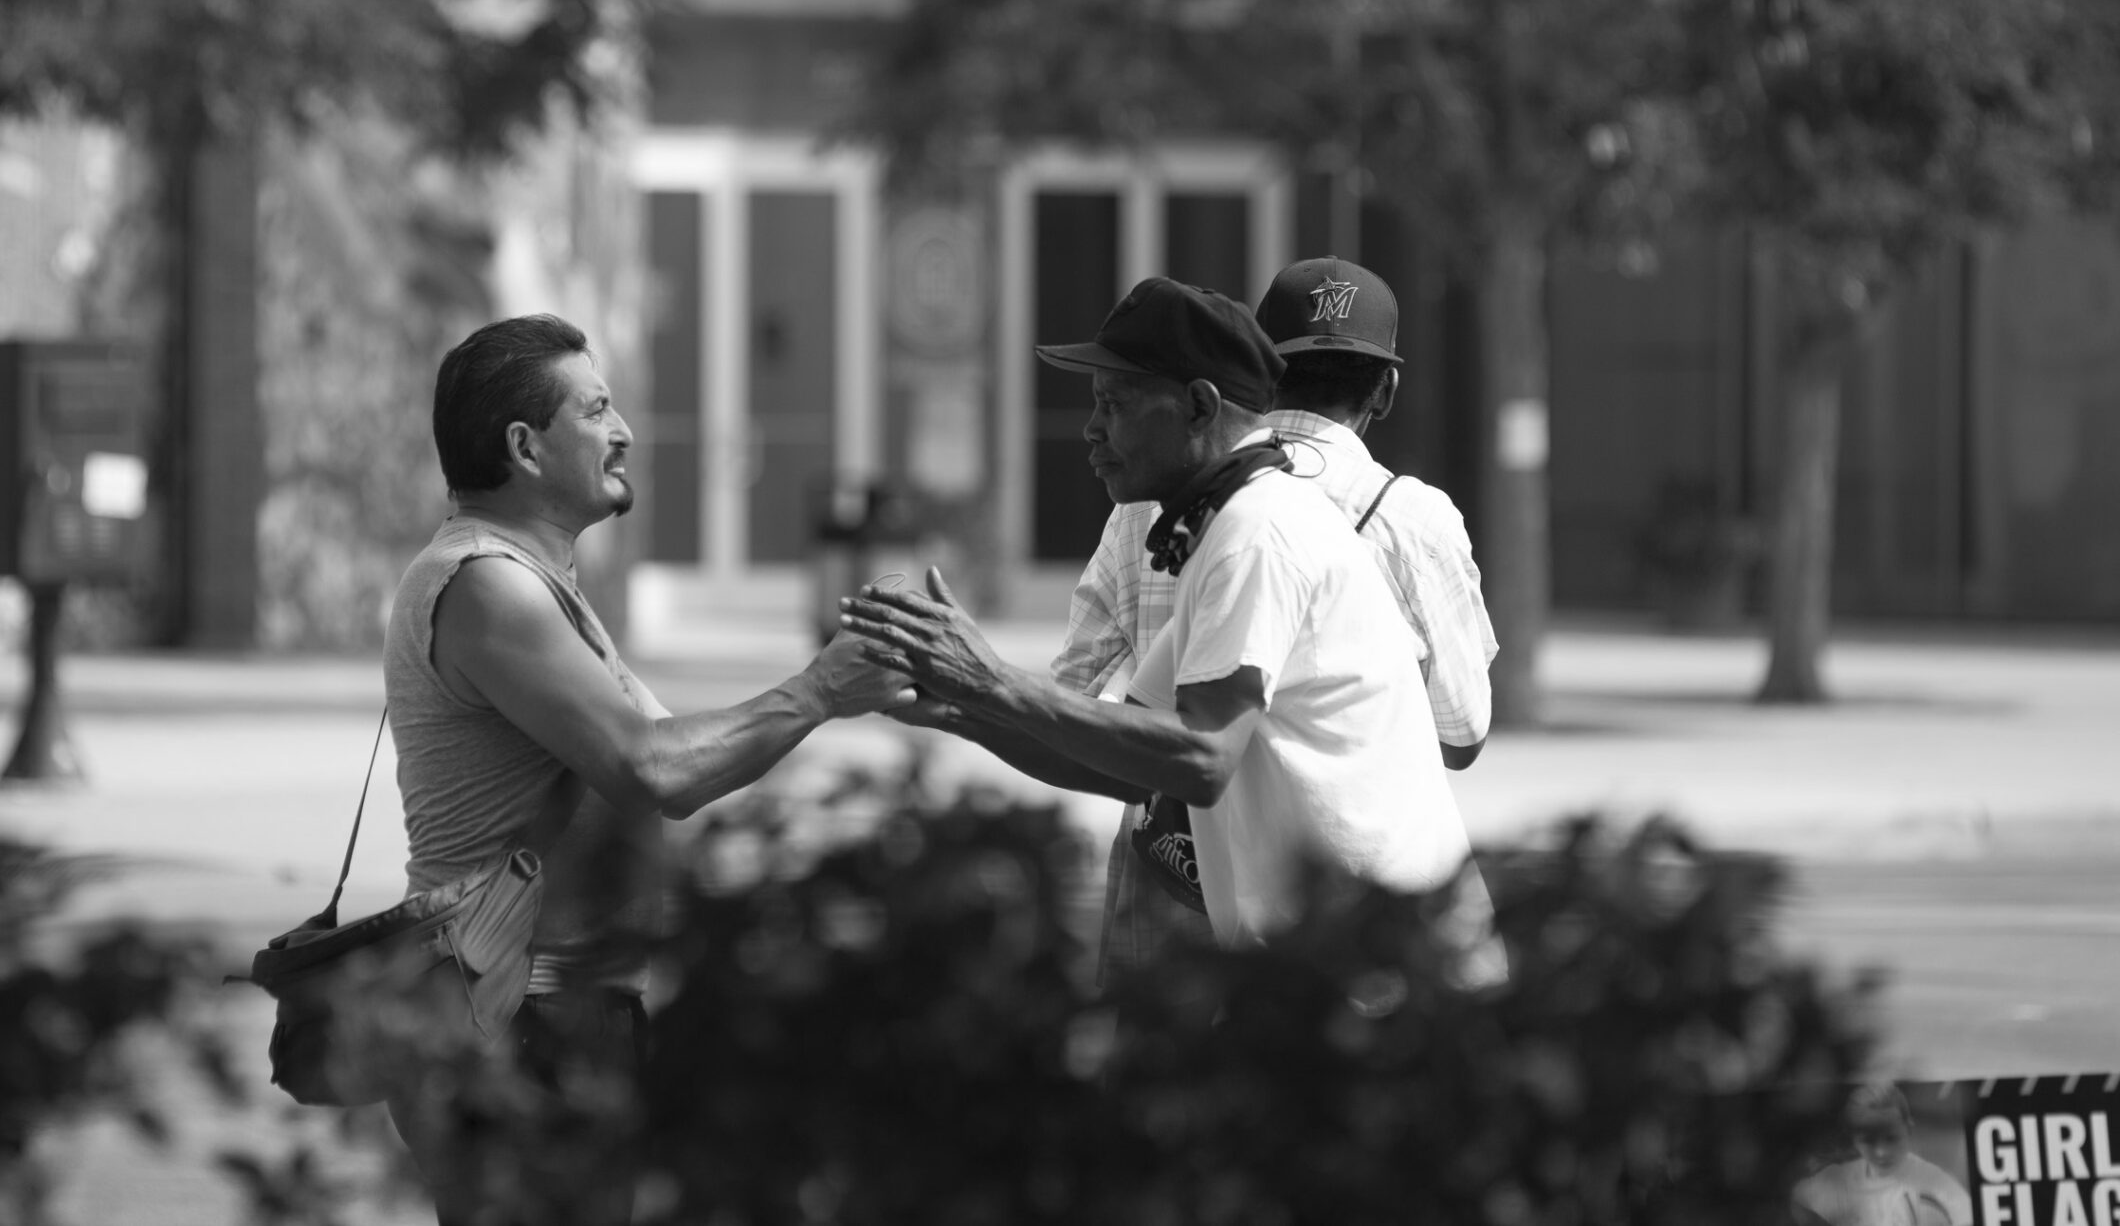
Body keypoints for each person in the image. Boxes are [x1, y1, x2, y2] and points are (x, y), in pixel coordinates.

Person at [381, 314, 908, 1222]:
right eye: (596, 409)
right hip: (513, 1020)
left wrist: (904, 688)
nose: (623, 429)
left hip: (555, 1013)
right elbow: (651, 769)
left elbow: (683, 755)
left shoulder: (537, 581)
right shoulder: (488, 584)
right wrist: (820, 687)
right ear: (525, 447)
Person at [845, 277, 1477, 952]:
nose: (1091, 429)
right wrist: (958, 703)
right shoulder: (1231, 526)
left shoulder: (1259, 532)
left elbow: (1201, 759)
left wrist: (993, 680)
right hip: (1346, 952)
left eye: (1112, 403)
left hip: (1387, 960)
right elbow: (1132, 763)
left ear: (1199, 406)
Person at [1254, 256, 1496, 767]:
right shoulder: (1416, 522)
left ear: (1258, 374)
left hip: (1177, 842)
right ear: (1385, 392)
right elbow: (1462, 735)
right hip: (1346, 841)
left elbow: (1083, 687)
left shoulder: (1157, 503)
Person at [1788, 1084, 1973, 1226]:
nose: (1881, 1152)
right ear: (1854, 1139)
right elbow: (1797, 1199)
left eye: (1892, 1139)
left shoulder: (1940, 1188)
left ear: (1908, 1129)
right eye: (1868, 1141)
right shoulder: (1837, 1182)